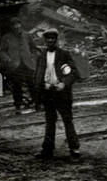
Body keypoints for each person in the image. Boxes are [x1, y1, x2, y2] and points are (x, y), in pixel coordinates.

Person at [34, 29, 80, 159]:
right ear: (45, 40)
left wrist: (64, 84)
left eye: (53, 38)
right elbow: (38, 75)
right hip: (48, 93)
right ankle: (47, 150)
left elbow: (73, 72)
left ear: (56, 40)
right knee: (49, 121)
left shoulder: (64, 54)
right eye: (48, 39)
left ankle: (74, 148)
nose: (50, 41)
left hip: (62, 93)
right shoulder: (41, 56)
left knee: (67, 120)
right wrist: (43, 86)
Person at [0, 18, 36, 113]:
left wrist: (32, 57)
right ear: (11, 27)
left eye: (18, 24)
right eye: (14, 25)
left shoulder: (27, 35)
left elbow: (33, 48)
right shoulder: (6, 37)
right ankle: (18, 106)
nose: (17, 26)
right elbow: (1, 51)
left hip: (28, 64)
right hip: (15, 65)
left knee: (32, 84)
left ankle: (37, 103)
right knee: (17, 86)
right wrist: (8, 60)